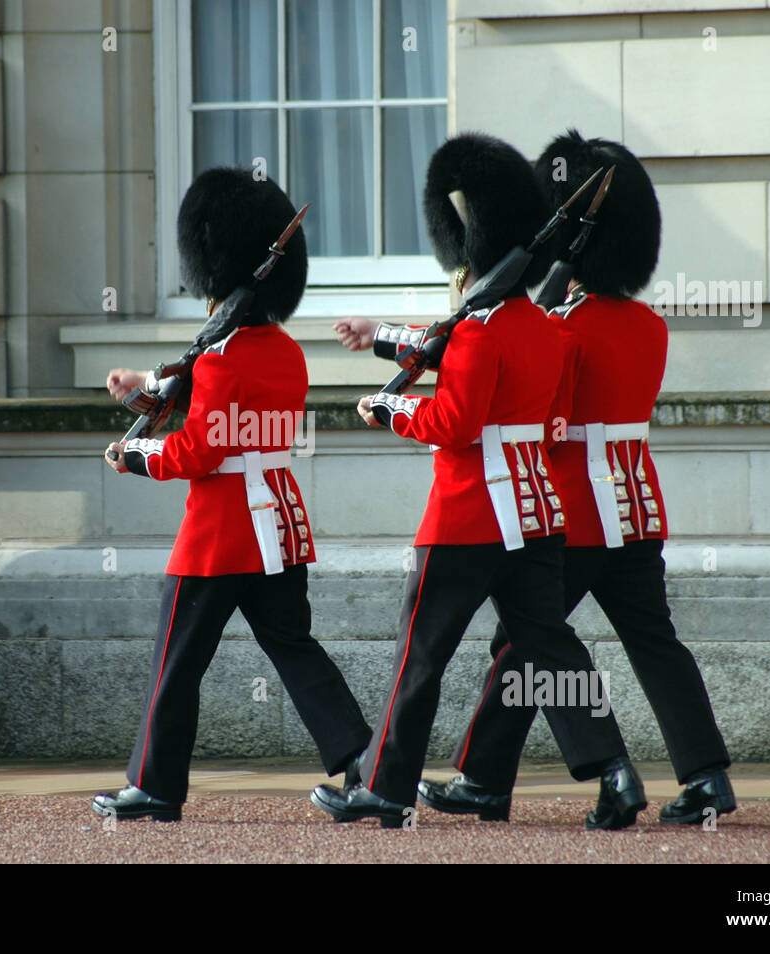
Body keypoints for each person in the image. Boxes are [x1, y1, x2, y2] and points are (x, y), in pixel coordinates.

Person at [312, 132, 646, 831]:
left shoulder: (480, 331)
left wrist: (389, 407)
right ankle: (613, 769)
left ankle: (384, 788)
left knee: (420, 657)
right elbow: (457, 347)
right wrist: (382, 335)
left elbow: (456, 417)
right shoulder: (539, 327)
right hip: (535, 518)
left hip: (467, 519)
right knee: (552, 651)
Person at [416, 130, 735, 825]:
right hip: (636, 507)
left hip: (572, 513)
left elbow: (524, 405)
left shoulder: (561, 326)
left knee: (524, 643)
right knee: (655, 642)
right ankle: (707, 776)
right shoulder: (647, 326)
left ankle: (520, 778)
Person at [93, 168, 371, 822]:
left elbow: (198, 450)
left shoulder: (220, 359)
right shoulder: (285, 354)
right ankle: (363, 765)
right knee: (299, 654)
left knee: (175, 663)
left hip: (218, 538)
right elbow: (215, 411)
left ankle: (157, 787)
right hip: (278, 529)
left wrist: (133, 455)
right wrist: (143, 393)